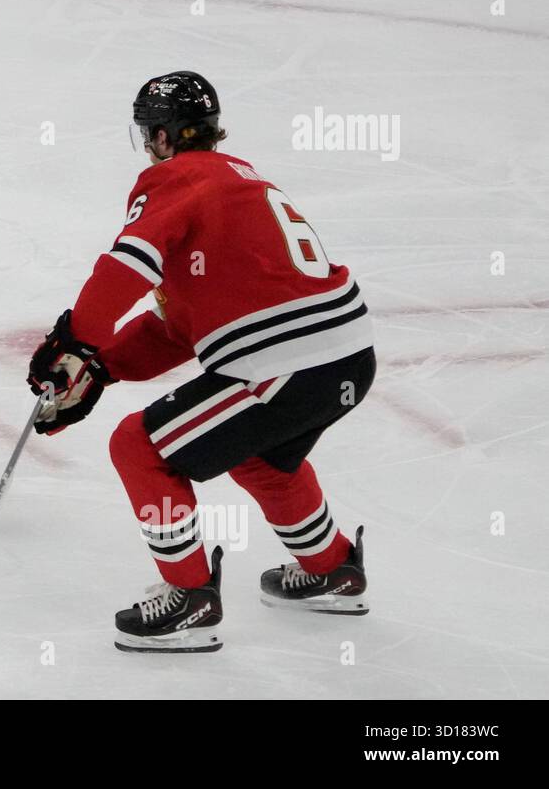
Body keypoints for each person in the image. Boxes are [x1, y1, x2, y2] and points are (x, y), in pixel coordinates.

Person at [27, 71, 376, 653]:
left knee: (139, 446)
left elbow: (125, 268)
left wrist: (76, 343)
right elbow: (176, 329)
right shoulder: (237, 184)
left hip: (284, 363)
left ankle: (190, 597)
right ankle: (332, 569)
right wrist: (103, 368)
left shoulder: (175, 180)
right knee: (262, 460)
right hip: (347, 356)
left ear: (162, 137)